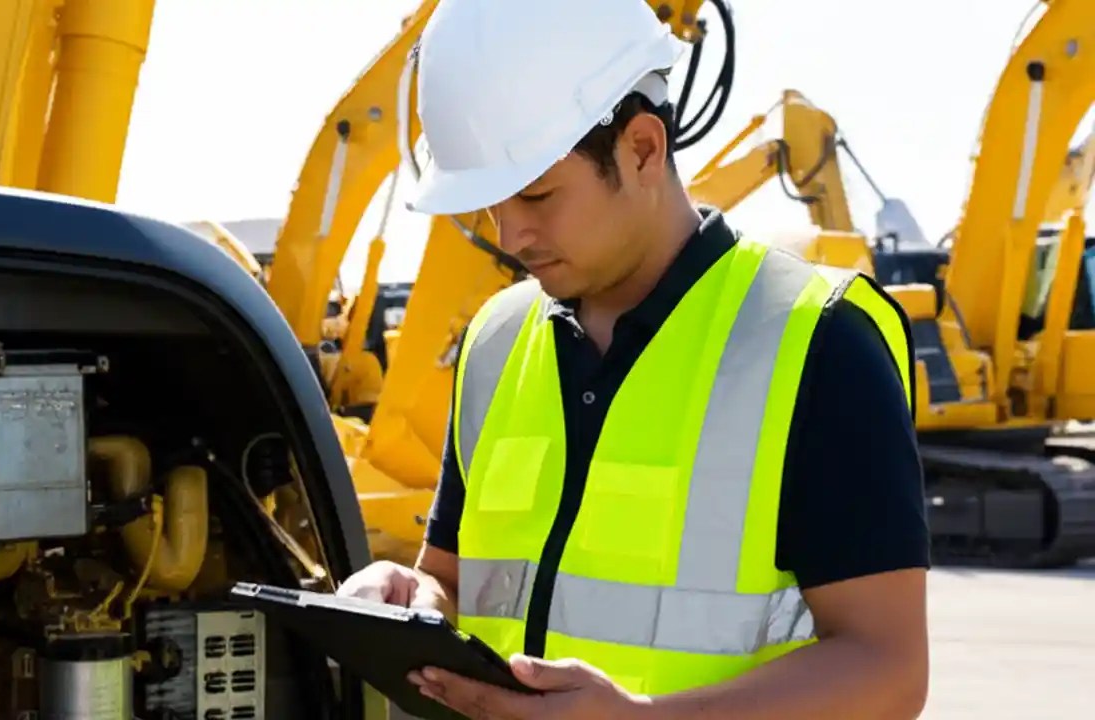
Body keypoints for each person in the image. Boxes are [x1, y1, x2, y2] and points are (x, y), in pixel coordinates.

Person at [336, 0, 931, 717]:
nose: (511, 233)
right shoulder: (496, 339)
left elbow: (889, 670)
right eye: (492, 203)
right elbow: (455, 581)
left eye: (537, 194)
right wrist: (412, 598)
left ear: (643, 148)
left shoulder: (818, 341)